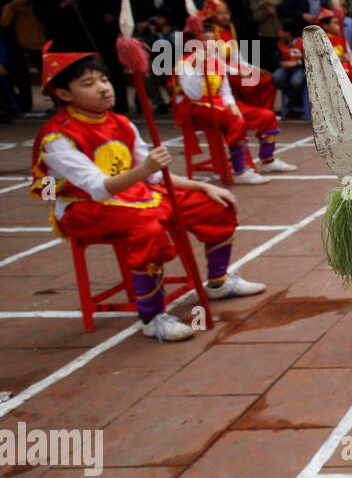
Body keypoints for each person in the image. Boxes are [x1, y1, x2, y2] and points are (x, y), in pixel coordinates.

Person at [31, 52, 264, 342]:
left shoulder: (119, 122)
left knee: (213, 205)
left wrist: (202, 187)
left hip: (134, 193)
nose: (104, 87)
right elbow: (98, 188)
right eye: (89, 83)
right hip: (83, 208)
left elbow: (154, 176)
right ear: (64, 94)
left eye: (104, 79)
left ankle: (218, 281)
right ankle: (152, 317)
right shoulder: (58, 138)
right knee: (148, 228)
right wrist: (146, 168)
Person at [174, 1, 295, 184]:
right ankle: (240, 172)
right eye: (205, 41)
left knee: (266, 116)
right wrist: (200, 68)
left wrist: (231, 105)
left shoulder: (216, 61)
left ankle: (268, 160)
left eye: (212, 40)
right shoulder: (184, 64)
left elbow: (225, 90)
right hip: (197, 108)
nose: (210, 44)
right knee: (236, 121)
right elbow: (194, 94)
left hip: (221, 104)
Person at [249, 0, 291, 74]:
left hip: (285, 34)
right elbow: (255, 16)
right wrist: (266, 12)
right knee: (272, 69)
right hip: (267, 35)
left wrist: (262, 4)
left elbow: (274, 0)